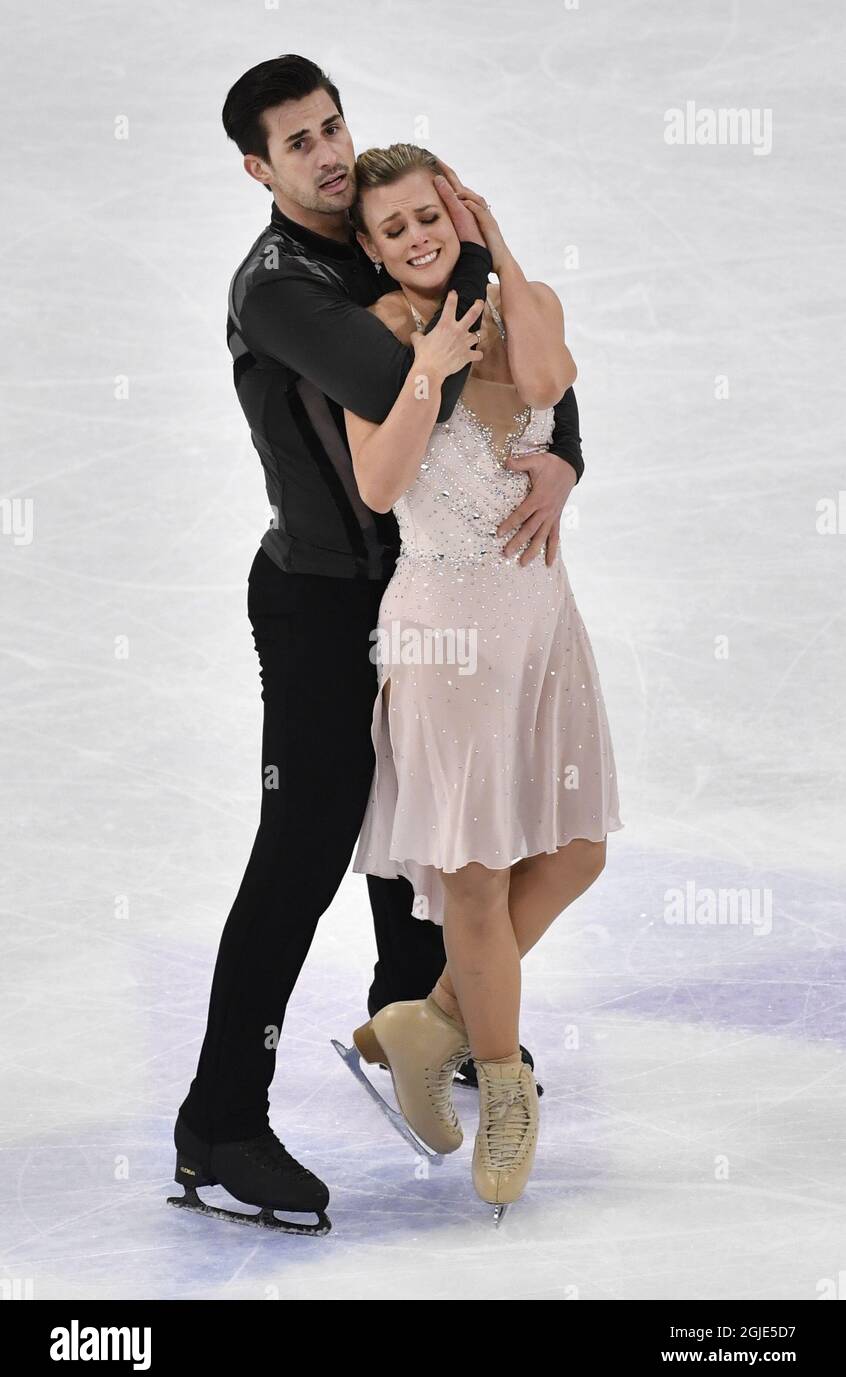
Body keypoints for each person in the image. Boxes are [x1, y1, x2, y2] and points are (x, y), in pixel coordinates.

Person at [168, 56, 587, 1235]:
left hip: (423, 594)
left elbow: (532, 371)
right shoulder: (281, 286)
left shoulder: (377, 233)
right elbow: (404, 381)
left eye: (332, 125)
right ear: (258, 168)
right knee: (303, 853)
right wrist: (462, 277)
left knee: (438, 821)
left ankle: (418, 1013)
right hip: (317, 603)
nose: (329, 151)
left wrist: (567, 454)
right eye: (297, 142)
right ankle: (220, 1122)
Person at [342, 144, 623, 1218]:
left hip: (542, 623)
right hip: (446, 631)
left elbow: (547, 384)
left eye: (431, 215)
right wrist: (430, 361)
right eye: (396, 228)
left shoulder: (523, 301)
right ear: (370, 247)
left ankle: (431, 1020)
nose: (418, 238)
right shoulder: (380, 335)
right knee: (472, 880)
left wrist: (493, 249)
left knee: (579, 849)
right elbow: (378, 483)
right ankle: (504, 1096)